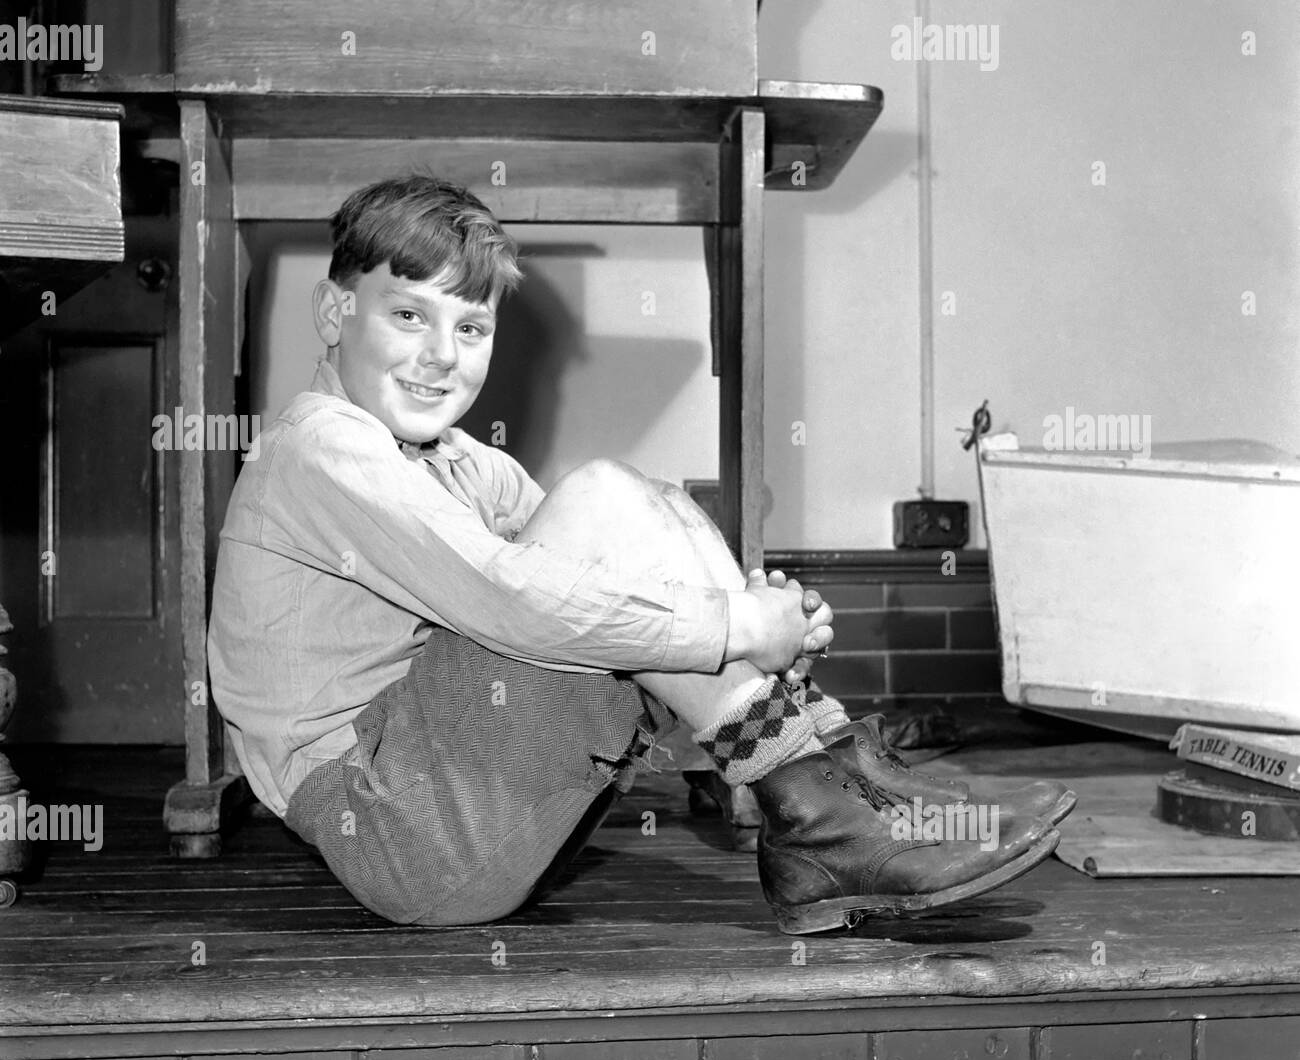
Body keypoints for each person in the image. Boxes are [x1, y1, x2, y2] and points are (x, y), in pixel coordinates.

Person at [208, 174, 1074, 937]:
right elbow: (513, 598)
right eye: (408, 315)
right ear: (333, 313)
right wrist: (734, 623)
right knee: (601, 500)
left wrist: (753, 624)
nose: (442, 355)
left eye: (471, 327)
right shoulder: (319, 448)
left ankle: (840, 790)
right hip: (394, 826)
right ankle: (823, 815)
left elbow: (616, 554)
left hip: (458, 800)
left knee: (645, 496)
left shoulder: (456, 462)